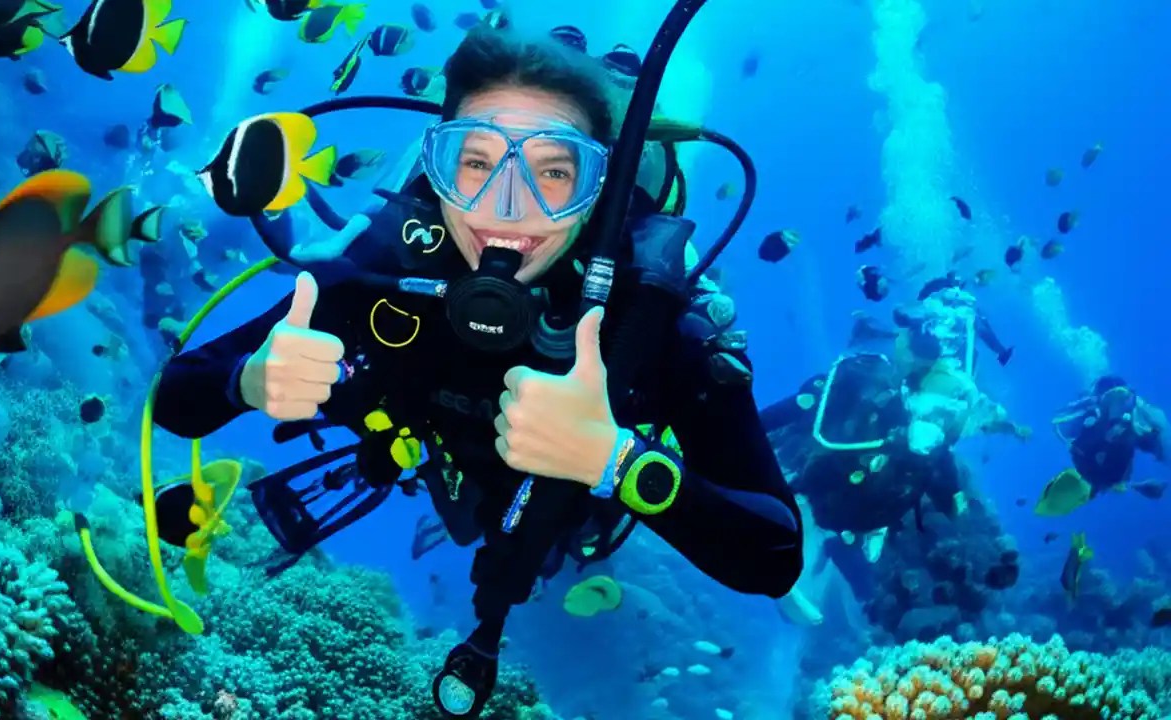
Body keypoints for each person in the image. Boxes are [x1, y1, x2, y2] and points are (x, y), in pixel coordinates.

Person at [151, 23, 802, 719]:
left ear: (598, 186)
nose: (508, 209)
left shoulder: (648, 313)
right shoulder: (382, 268)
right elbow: (176, 398)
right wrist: (247, 380)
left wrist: (612, 459)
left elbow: (771, 556)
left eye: (554, 171)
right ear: (437, 169)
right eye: (475, 162)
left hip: (578, 513)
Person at [1038, 376, 1170, 513]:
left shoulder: (1134, 423)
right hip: (1092, 475)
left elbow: (1160, 444)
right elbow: (1059, 426)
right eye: (1112, 400)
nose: (1116, 407)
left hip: (1099, 476)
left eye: (1122, 401)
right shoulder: (1089, 418)